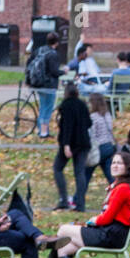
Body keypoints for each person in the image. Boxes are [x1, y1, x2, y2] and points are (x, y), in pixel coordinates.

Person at [47, 150, 130, 258]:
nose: (115, 165)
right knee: (64, 248)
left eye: (119, 163)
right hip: (109, 232)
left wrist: (93, 220)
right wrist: (95, 221)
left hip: (112, 234)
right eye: (113, 162)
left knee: (63, 230)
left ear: (128, 167)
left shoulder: (123, 188)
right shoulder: (117, 187)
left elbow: (107, 217)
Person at [55, 83, 92, 212]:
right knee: (79, 172)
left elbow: (67, 127)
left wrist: (66, 145)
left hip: (70, 143)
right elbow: (89, 122)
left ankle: (63, 199)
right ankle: (80, 203)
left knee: (57, 168)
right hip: (83, 142)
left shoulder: (65, 105)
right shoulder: (82, 104)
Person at [27, 31, 64, 139]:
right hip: (49, 86)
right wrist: (64, 72)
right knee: (47, 108)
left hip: (37, 84)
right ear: (56, 42)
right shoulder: (53, 54)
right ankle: (44, 133)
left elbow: (29, 63)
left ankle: (41, 130)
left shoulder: (39, 50)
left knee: (43, 107)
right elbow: (54, 72)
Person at [88, 93, 117, 183]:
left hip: (98, 148)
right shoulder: (107, 115)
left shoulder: (93, 117)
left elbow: (92, 135)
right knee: (111, 176)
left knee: (86, 173)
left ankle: (78, 196)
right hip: (109, 146)